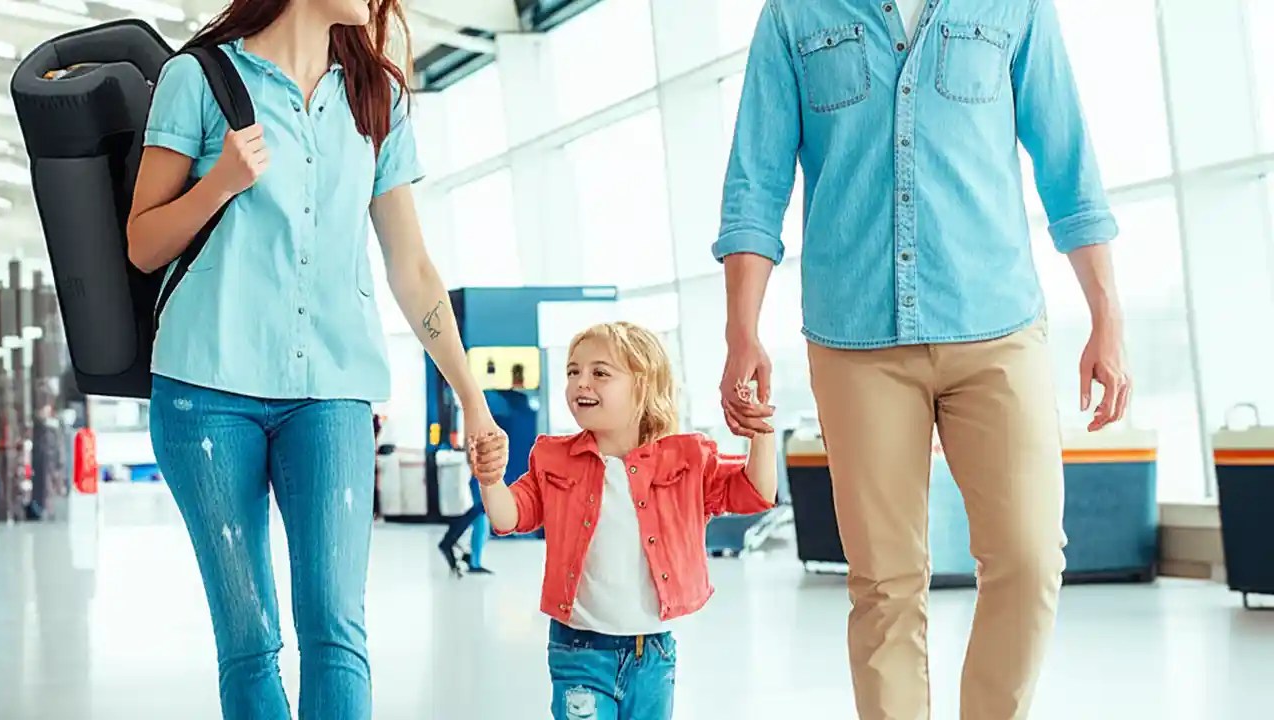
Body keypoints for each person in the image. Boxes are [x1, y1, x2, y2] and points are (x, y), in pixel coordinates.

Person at [716, 2, 1131, 719]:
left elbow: (1068, 163)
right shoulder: (793, 13)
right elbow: (756, 180)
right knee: (884, 584)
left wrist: (1107, 317)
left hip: (996, 323)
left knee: (1031, 559)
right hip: (855, 339)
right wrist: (741, 331)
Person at [126, 0, 505, 716]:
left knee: (336, 628)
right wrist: (221, 183)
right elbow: (143, 242)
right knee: (249, 638)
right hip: (206, 391)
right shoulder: (197, 78)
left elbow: (412, 267)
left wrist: (472, 398)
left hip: (332, 388)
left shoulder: (377, 96)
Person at [469, 322, 778, 720]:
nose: (581, 382)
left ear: (644, 386)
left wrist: (761, 433)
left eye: (600, 373)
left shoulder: (687, 459)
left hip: (653, 654)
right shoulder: (553, 458)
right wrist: (490, 479)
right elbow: (509, 515)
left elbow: (755, 491)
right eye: (573, 372)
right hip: (579, 652)